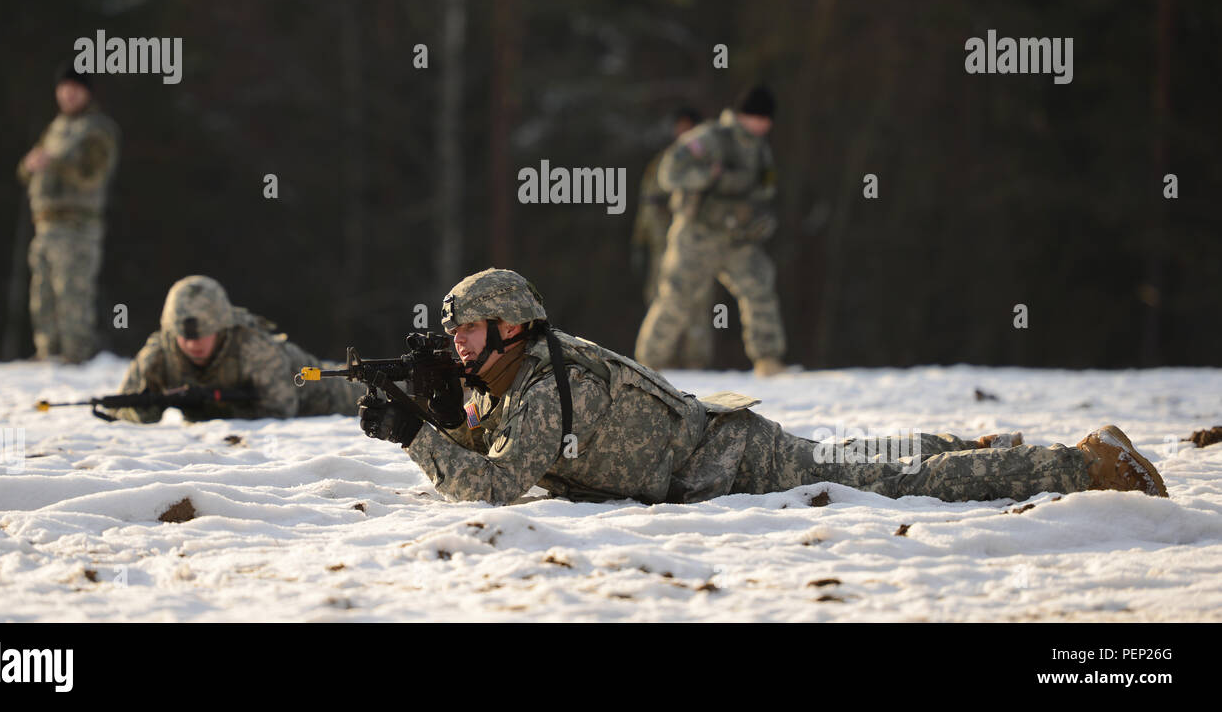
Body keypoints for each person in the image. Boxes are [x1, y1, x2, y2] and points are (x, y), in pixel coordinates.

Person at [358, 268, 1169, 506]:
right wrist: (437, 413)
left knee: (894, 482)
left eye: (467, 332)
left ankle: (1083, 466)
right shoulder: (527, 369)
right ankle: (989, 446)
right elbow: (495, 445)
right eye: (453, 334)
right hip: (721, 446)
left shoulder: (542, 388)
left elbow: (501, 481)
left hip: (732, 463)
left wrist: (416, 437)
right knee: (867, 458)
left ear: (509, 328)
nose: (456, 345)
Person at [635, 85, 788, 377]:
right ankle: (646, 365)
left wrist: (760, 218)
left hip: (737, 237)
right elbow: (669, 173)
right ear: (749, 115)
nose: (766, 125)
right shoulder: (710, 138)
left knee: (759, 288)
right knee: (676, 297)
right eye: (762, 118)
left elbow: (764, 190)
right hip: (698, 233)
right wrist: (707, 176)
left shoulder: (758, 149)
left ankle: (768, 359)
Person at [108, 275, 364, 423]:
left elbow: (280, 409)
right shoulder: (159, 354)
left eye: (204, 334)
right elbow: (120, 412)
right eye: (183, 337)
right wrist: (151, 407)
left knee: (384, 387)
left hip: (327, 392)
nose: (193, 344)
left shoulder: (252, 346)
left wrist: (209, 407)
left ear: (221, 328)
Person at [16, 65, 121, 362]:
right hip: (45, 223)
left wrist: (54, 161)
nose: (69, 94)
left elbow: (92, 173)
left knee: (73, 292)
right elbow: (27, 170)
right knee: (43, 294)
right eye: (64, 88)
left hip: (77, 225)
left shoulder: (98, 129)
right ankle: (47, 352)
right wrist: (29, 165)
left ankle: (77, 356)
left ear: (87, 93)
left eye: (76, 88)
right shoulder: (55, 128)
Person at [630, 106, 715, 369]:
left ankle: (695, 364)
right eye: (680, 126)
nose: (683, 132)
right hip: (661, 246)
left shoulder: (708, 163)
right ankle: (656, 363)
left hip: (697, 246)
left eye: (689, 127)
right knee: (659, 299)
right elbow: (646, 205)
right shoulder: (661, 163)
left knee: (697, 303)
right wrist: (640, 243)